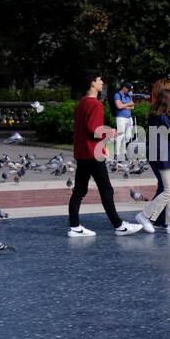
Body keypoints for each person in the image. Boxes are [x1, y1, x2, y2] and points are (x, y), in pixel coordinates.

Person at [68, 69, 139, 237]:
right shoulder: (96, 104)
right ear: (92, 83)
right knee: (106, 190)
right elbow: (94, 130)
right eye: (100, 80)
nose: (102, 83)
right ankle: (119, 225)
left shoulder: (81, 103)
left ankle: (74, 226)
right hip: (93, 154)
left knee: (79, 190)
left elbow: (83, 130)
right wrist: (109, 132)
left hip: (82, 153)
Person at [135, 88, 170, 234]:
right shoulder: (164, 117)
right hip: (164, 154)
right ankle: (145, 215)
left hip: (157, 153)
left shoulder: (155, 115)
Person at [112, 82, 135, 160]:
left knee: (128, 136)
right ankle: (117, 154)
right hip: (121, 118)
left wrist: (124, 106)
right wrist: (128, 104)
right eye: (128, 89)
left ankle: (122, 151)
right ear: (124, 88)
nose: (129, 91)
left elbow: (132, 107)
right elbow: (118, 106)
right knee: (120, 136)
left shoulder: (128, 95)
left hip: (129, 118)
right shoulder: (117, 95)